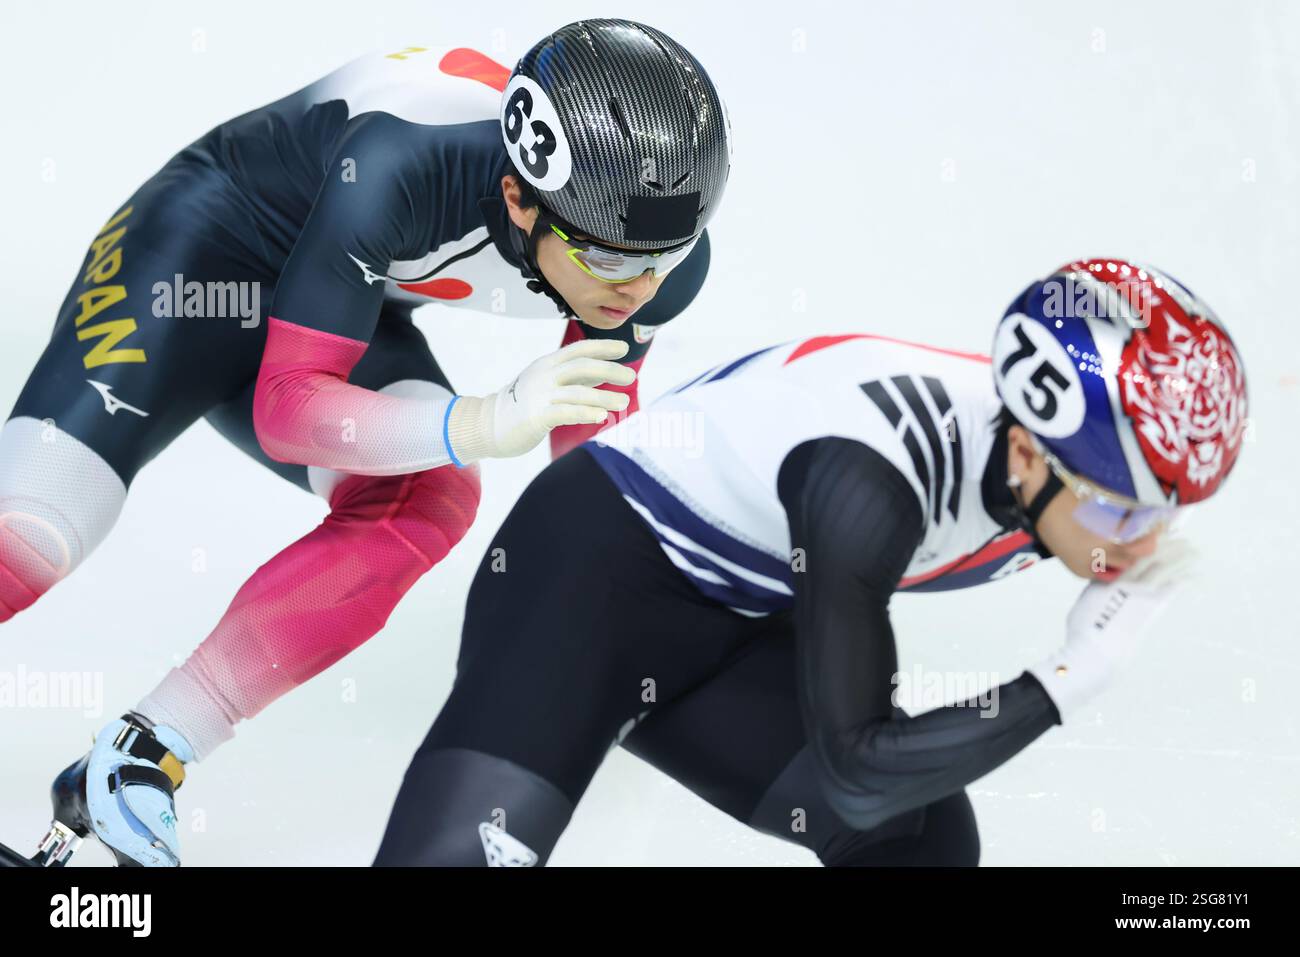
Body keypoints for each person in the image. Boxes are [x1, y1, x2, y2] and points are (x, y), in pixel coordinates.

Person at [2, 19, 730, 866]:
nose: (638, 287)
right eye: (605, 258)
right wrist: (482, 420)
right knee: (34, 533)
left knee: (430, 495)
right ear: (518, 197)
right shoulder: (402, 162)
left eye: (666, 255)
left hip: (339, 310)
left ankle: (142, 752)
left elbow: (586, 445)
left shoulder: (649, 249)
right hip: (194, 258)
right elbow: (284, 409)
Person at [374, 259, 1248, 866]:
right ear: (1025, 452)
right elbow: (858, 772)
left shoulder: (1044, 462)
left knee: (920, 842)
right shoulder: (868, 479)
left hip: (737, 615)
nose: (1140, 542)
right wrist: (1068, 676)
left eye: (1165, 510)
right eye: (1121, 508)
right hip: (583, 578)